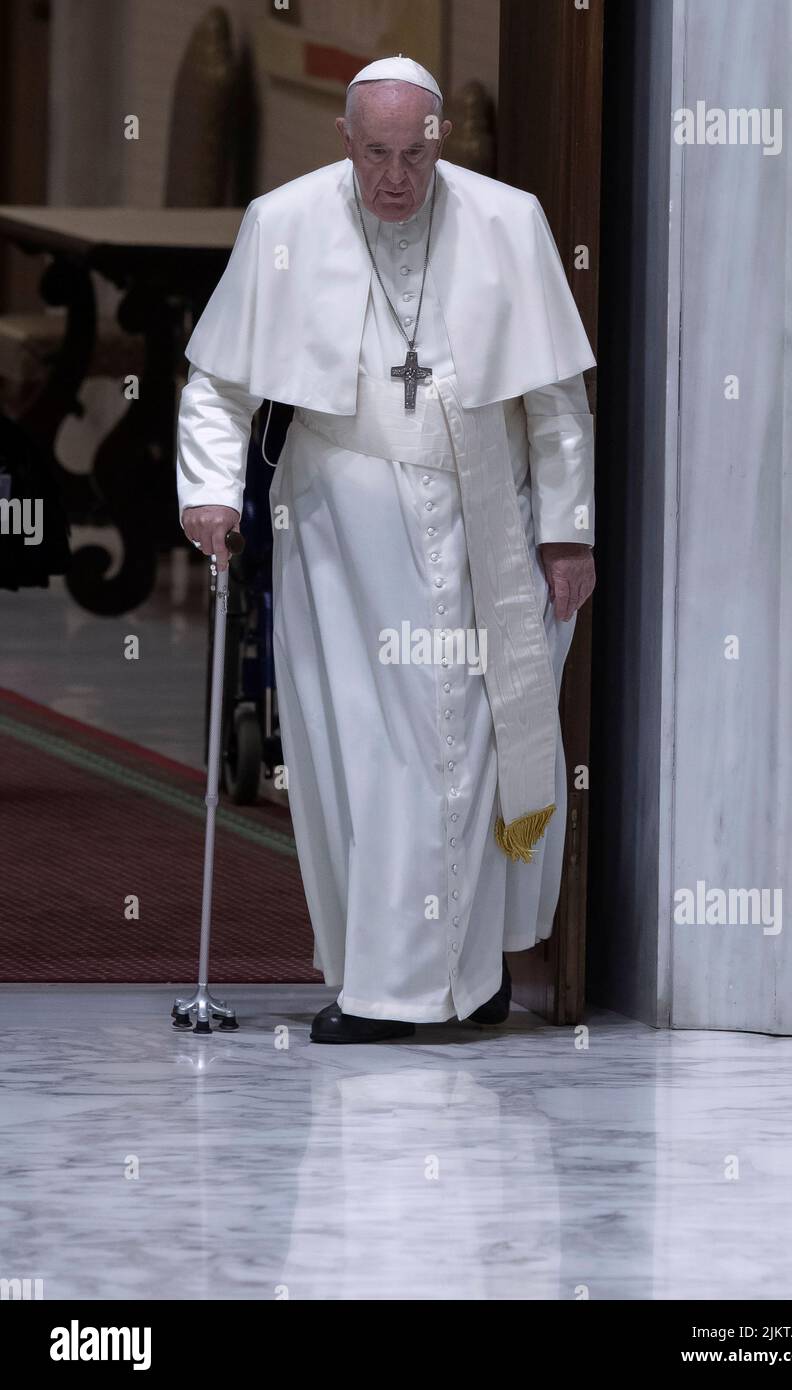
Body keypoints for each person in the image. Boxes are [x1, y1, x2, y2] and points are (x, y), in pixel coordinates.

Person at [176, 57, 596, 1043]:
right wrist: (206, 492)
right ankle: (405, 978)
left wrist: (566, 531)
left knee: (469, 752)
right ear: (343, 137)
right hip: (336, 541)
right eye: (376, 155)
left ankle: (439, 985)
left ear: (439, 137)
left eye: (414, 154)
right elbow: (215, 384)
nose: (395, 178)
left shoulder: (506, 221)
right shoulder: (283, 225)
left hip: (483, 526)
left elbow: (555, 404)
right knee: (359, 753)